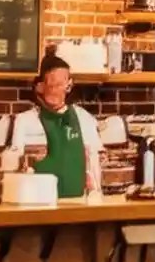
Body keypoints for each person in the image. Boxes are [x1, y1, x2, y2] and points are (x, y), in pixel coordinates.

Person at [9, 54, 101, 199]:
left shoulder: (85, 119)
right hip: (37, 205)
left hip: (77, 204)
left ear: (69, 85)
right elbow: (14, 170)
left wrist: (96, 195)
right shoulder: (25, 121)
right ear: (40, 87)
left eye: (62, 85)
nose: (57, 91)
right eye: (52, 85)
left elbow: (93, 165)